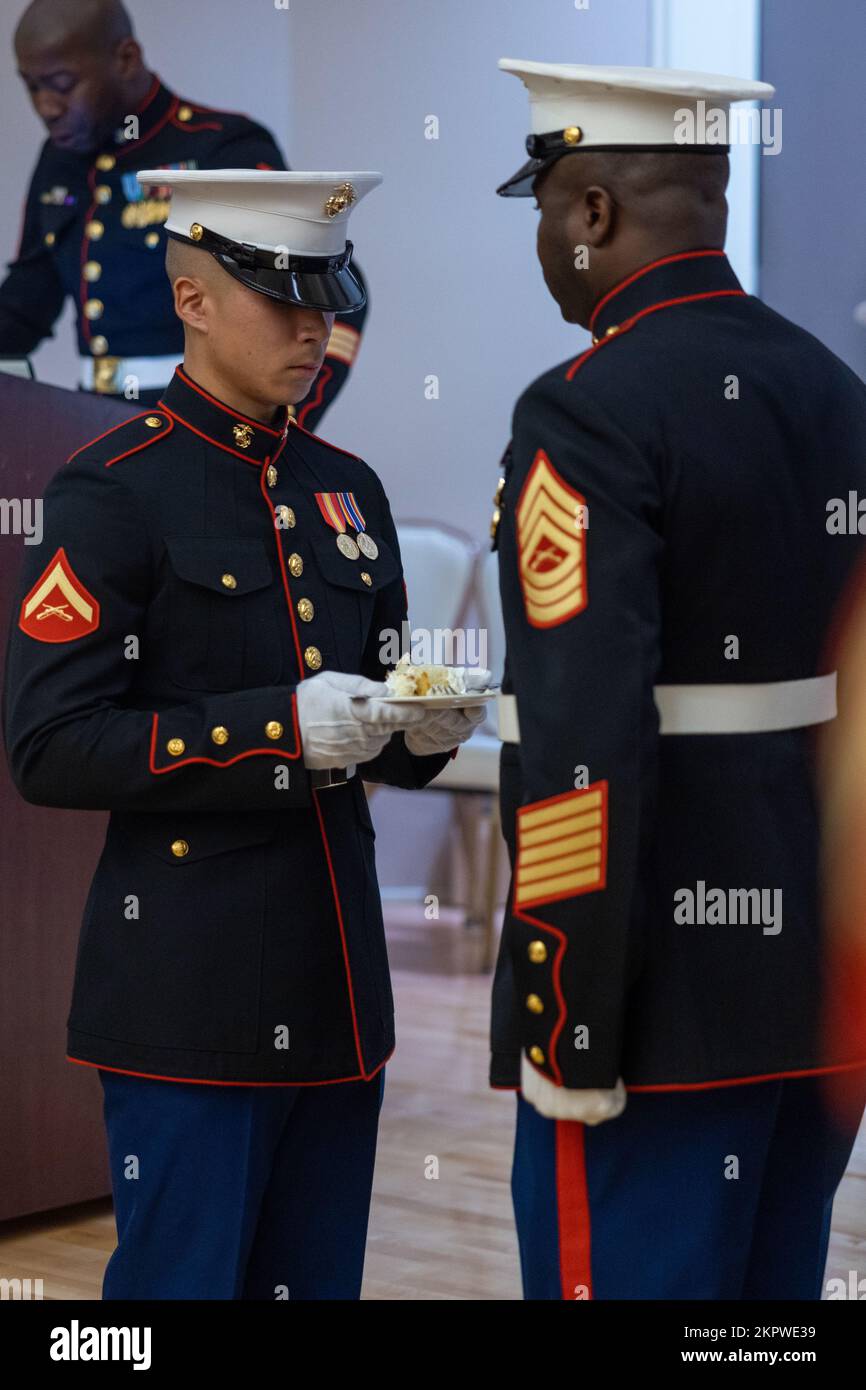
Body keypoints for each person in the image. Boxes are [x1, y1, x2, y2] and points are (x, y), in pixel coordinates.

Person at [2, 167, 487, 1299]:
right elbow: (49, 743)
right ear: (194, 301)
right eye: (283, 296)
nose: (315, 325)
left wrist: (427, 727)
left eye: (328, 296)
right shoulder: (112, 488)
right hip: (189, 994)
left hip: (337, 989)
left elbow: (381, 724)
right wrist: (274, 728)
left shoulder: (346, 488)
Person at [490, 58, 866, 1300]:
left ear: (588, 212)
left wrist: (568, 1017)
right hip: (808, 988)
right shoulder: (832, 390)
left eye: (544, 210)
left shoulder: (585, 409)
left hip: (651, 995)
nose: (546, 243)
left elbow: (578, 736)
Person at [1, 0, 366, 423]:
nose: (47, 106)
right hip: (90, 423)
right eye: (32, 87)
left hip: (198, 424)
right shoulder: (59, 161)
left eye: (62, 84)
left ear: (126, 58)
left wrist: (284, 424)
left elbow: (334, 287)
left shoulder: (219, 148)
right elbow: (27, 301)